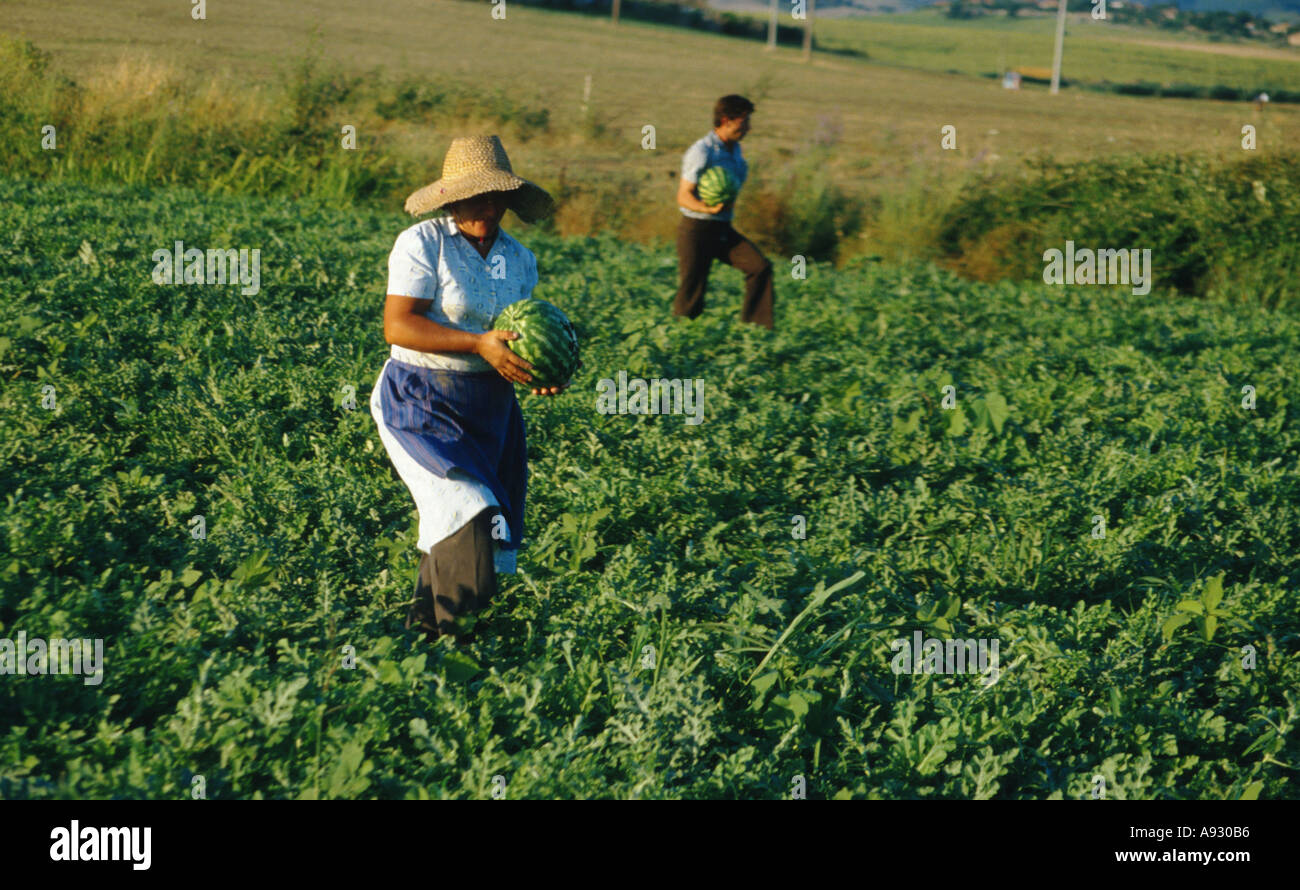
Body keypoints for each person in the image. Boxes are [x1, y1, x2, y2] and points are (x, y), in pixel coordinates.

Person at [369, 134, 567, 643]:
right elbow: (399, 326)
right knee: (470, 518)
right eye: (472, 196)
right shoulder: (422, 244)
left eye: (494, 196)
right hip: (420, 401)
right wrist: (479, 345)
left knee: (455, 529)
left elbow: (514, 336)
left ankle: (422, 650)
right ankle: (458, 649)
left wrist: (535, 369)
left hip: (489, 410)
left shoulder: (520, 260)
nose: (484, 207)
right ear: (451, 198)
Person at [673, 94, 774, 330]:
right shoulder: (702, 151)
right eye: (744, 121)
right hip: (696, 228)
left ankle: (756, 330)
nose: (748, 128)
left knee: (760, 267)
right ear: (727, 120)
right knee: (693, 289)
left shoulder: (735, 150)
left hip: (722, 228)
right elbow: (683, 195)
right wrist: (708, 207)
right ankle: (681, 340)